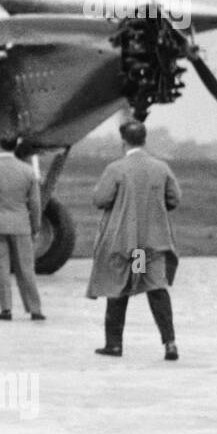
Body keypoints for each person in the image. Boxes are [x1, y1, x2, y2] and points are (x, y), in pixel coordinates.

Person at [87, 119, 181, 361]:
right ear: (144, 139)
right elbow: (174, 198)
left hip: (125, 245)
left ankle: (114, 345)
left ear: (123, 141)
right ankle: (170, 343)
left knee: (118, 288)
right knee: (157, 290)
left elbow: (100, 199)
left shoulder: (116, 169)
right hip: (152, 245)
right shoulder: (161, 168)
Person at [0, 133, 45, 321]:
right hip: (21, 226)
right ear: (16, 146)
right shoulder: (28, 171)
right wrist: (36, 227)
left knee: (0, 269)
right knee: (26, 268)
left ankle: (6, 309)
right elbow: (35, 204)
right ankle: (34, 308)